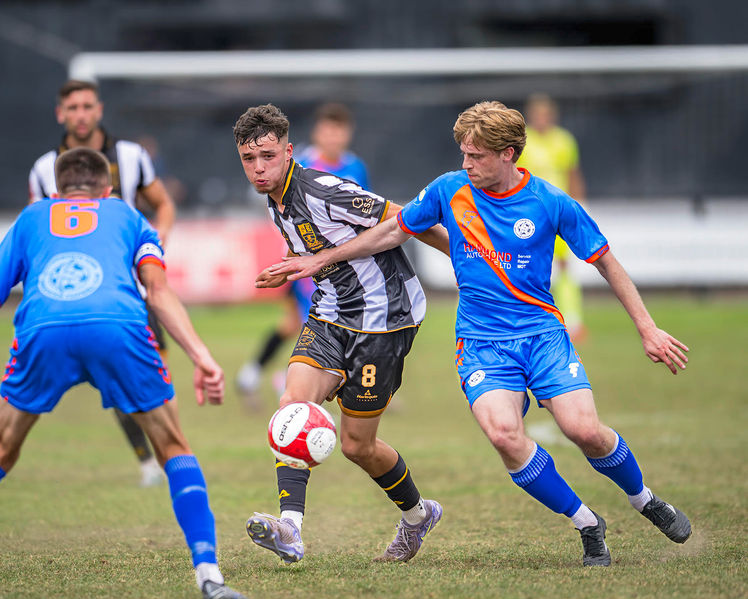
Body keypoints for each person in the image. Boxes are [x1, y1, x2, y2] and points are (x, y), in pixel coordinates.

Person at [267, 101, 692, 567]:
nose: (465, 164)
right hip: (481, 343)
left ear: (509, 154)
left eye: (476, 156)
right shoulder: (450, 189)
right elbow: (391, 232)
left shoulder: (550, 202)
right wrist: (318, 260)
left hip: (542, 335)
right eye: (462, 154)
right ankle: (588, 524)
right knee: (506, 436)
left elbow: (606, 261)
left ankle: (644, 499)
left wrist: (648, 328)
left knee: (585, 431)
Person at [0, 148, 249, 599]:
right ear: (107, 189)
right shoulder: (127, 215)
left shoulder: (30, 219)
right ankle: (210, 578)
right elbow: (157, 290)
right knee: (172, 446)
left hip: (43, 328)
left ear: (55, 190)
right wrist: (202, 356)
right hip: (117, 326)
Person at [233, 103, 449, 564]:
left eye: (267, 156)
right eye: (249, 160)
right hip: (330, 314)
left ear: (289, 152)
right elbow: (319, 253)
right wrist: (297, 269)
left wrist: (475, 265)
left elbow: (404, 218)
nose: (258, 168)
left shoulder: (324, 189)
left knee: (357, 445)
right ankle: (290, 529)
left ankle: (417, 516)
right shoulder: (275, 201)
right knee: (292, 407)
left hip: (385, 320)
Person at [29, 79, 177, 487]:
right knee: (114, 374)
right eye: (72, 107)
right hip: (78, 287)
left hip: (131, 283)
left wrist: (155, 243)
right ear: (61, 113)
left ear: (99, 110)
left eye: (87, 106)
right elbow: (35, 226)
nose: (80, 114)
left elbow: (163, 204)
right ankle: (148, 460)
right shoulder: (44, 169)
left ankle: (170, 454)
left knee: (155, 370)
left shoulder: (131, 157)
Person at [236, 104, 368, 398]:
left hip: (344, 261)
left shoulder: (355, 167)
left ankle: (255, 373)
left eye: (339, 130)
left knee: (294, 323)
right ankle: (297, 381)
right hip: (307, 261)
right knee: (321, 321)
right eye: (327, 129)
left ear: (347, 134)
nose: (333, 137)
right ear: (318, 132)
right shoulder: (300, 163)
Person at [516, 94, 588, 342]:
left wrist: (580, 206)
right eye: (538, 114)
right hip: (530, 216)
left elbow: (573, 174)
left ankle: (573, 321)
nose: (542, 119)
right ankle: (532, 319)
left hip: (560, 214)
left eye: (546, 114)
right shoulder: (522, 142)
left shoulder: (564, 141)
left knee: (565, 267)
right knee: (528, 265)